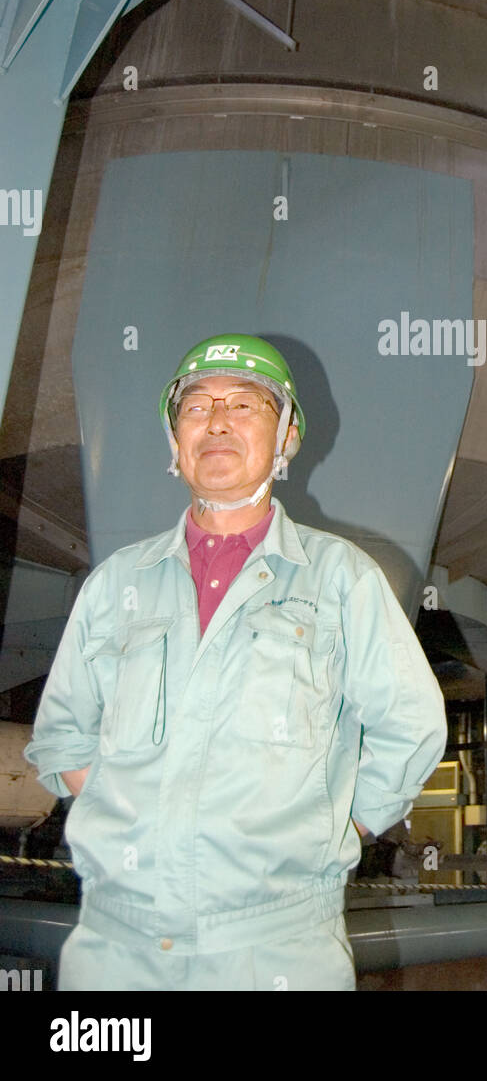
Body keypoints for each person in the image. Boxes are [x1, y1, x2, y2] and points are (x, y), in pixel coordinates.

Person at [24, 334, 448, 991]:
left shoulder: (340, 580)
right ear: (174, 442)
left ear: (287, 440)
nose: (218, 420)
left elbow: (410, 724)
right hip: (116, 948)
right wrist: (135, 824)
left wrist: (329, 830)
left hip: (276, 952)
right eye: (196, 407)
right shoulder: (116, 584)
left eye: (246, 404)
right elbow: (63, 734)